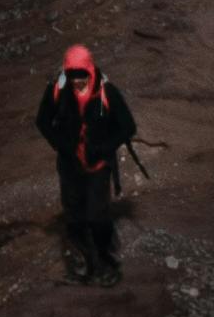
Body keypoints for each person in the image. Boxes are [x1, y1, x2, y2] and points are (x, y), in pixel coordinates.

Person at [36, 42, 139, 282]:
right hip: (70, 164)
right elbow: (42, 121)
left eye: (81, 76)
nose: (77, 82)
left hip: (97, 165)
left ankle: (107, 262)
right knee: (74, 216)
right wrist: (63, 145)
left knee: (96, 215)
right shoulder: (58, 89)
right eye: (73, 77)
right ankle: (84, 265)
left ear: (90, 71)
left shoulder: (106, 92)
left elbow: (127, 126)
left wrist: (103, 148)